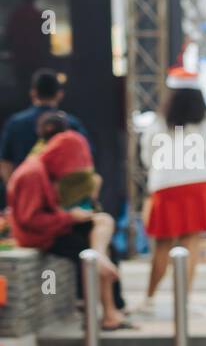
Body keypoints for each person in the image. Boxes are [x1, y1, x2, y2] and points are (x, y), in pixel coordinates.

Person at [6, 130, 133, 330]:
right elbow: (30, 220)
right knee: (86, 252)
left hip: (55, 227)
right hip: (40, 236)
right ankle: (109, 309)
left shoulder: (43, 170)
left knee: (103, 226)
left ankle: (109, 297)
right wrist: (69, 217)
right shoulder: (32, 174)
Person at [137, 68, 206, 312]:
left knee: (162, 245)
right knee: (191, 245)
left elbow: (148, 153)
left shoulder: (160, 120)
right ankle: (183, 302)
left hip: (166, 185)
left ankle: (149, 299)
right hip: (201, 183)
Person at [0, 69, 90, 196]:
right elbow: (85, 164)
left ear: (33, 93)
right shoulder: (72, 124)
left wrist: (15, 193)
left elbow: (5, 163)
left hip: (26, 196)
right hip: (62, 199)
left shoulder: (15, 123)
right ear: (59, 94)